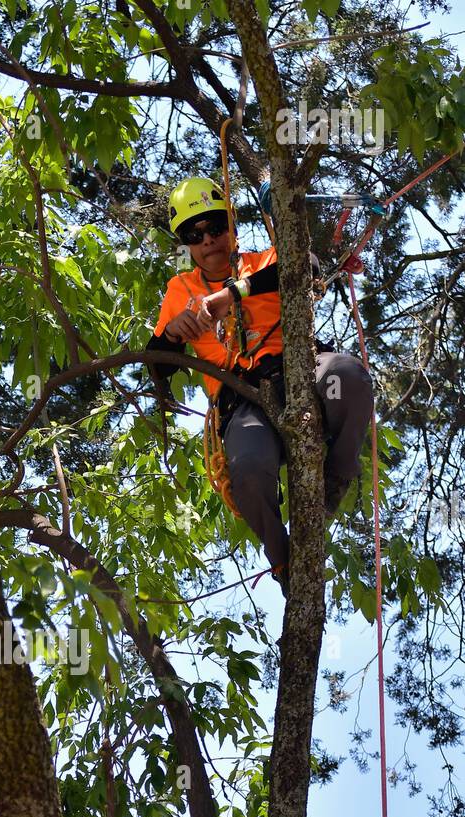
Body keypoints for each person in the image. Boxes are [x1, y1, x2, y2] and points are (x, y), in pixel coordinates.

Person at [145, 178, 374, 597]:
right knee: (247, 470)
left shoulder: (263, 258)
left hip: (302, 368)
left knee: (352, 378)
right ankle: (283, 558)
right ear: (186, 244)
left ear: (231, 223)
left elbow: (306, 268)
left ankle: (336, 477)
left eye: (215, 226)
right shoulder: (182, 290)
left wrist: (234, 294)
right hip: (243, 399)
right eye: (195, 235)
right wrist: (174, 333)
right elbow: (155, 364)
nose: (209, 239)